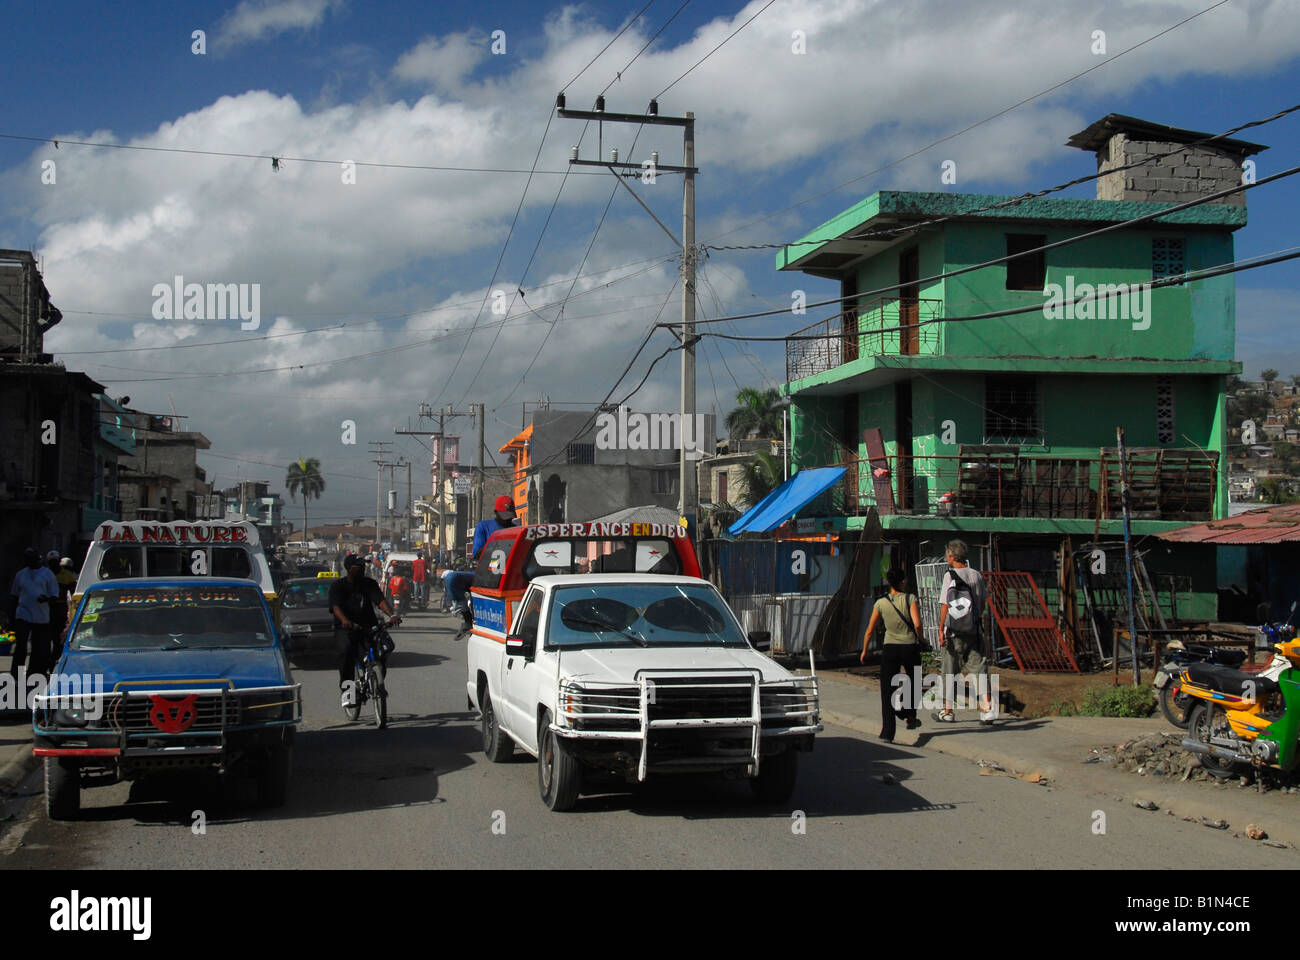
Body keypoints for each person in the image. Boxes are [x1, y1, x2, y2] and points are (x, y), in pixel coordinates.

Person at [933, 539, 994, 724]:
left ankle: (948, 711)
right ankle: (987, 709)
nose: (946, 557)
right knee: (979, 669)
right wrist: (974, 619)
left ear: (952, 556)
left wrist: (940, 629)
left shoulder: (949, 576)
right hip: (973, 630)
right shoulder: (976, 575)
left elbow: (945, 605)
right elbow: (983, 602)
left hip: (953, 632)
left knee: (949, 670)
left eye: (947, 554)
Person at [861, 568, 924, 742]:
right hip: (910, 646)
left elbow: (869, 630)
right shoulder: (910, 599)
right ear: (903, 581)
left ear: (889, 583)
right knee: (915, 682)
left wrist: (865, 650)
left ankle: (888, 732)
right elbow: (917, 625)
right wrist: (922, 639)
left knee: (887, 689)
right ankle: (907, 713)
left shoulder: (880, 603)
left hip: (890, 648)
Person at [329, 554, 399, 707]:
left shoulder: (369, 584)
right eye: (358, 566)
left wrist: (392, 615)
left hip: (369, 626)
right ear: (349, 568)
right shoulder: (338, 586)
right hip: (346, 629)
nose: (361, 569)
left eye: (363, 566)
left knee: (382, 651)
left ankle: (378, 685)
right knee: (346, 655)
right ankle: (348, 695)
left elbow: (380, 601)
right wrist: (345, 621)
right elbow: (336, 607)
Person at [447, 496, 519, 629]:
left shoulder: (516, 530)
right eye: (504, 515)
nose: (507, 519)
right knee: (451, 578)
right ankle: (466, 616)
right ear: (496, 512)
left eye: (509, 515)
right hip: (485, 574)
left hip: (509, 576)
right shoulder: (484, 527)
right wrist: (498, 543)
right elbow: (477, 554)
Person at [7, 547, 60, 679]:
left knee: (38, 647)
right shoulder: (21, 575)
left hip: (41, 616)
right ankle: (16, 675)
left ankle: (34, 674)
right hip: (23, 613)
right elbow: (14, 596)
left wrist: (45, 599)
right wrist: (11, 618)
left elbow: (54, 596)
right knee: (21, 646)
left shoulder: (47, 574)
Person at [51, 556, 77, 656]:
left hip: (64, 611)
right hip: (60, 611)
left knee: (60, 638)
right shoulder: (52, 575)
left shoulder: (72, 577)